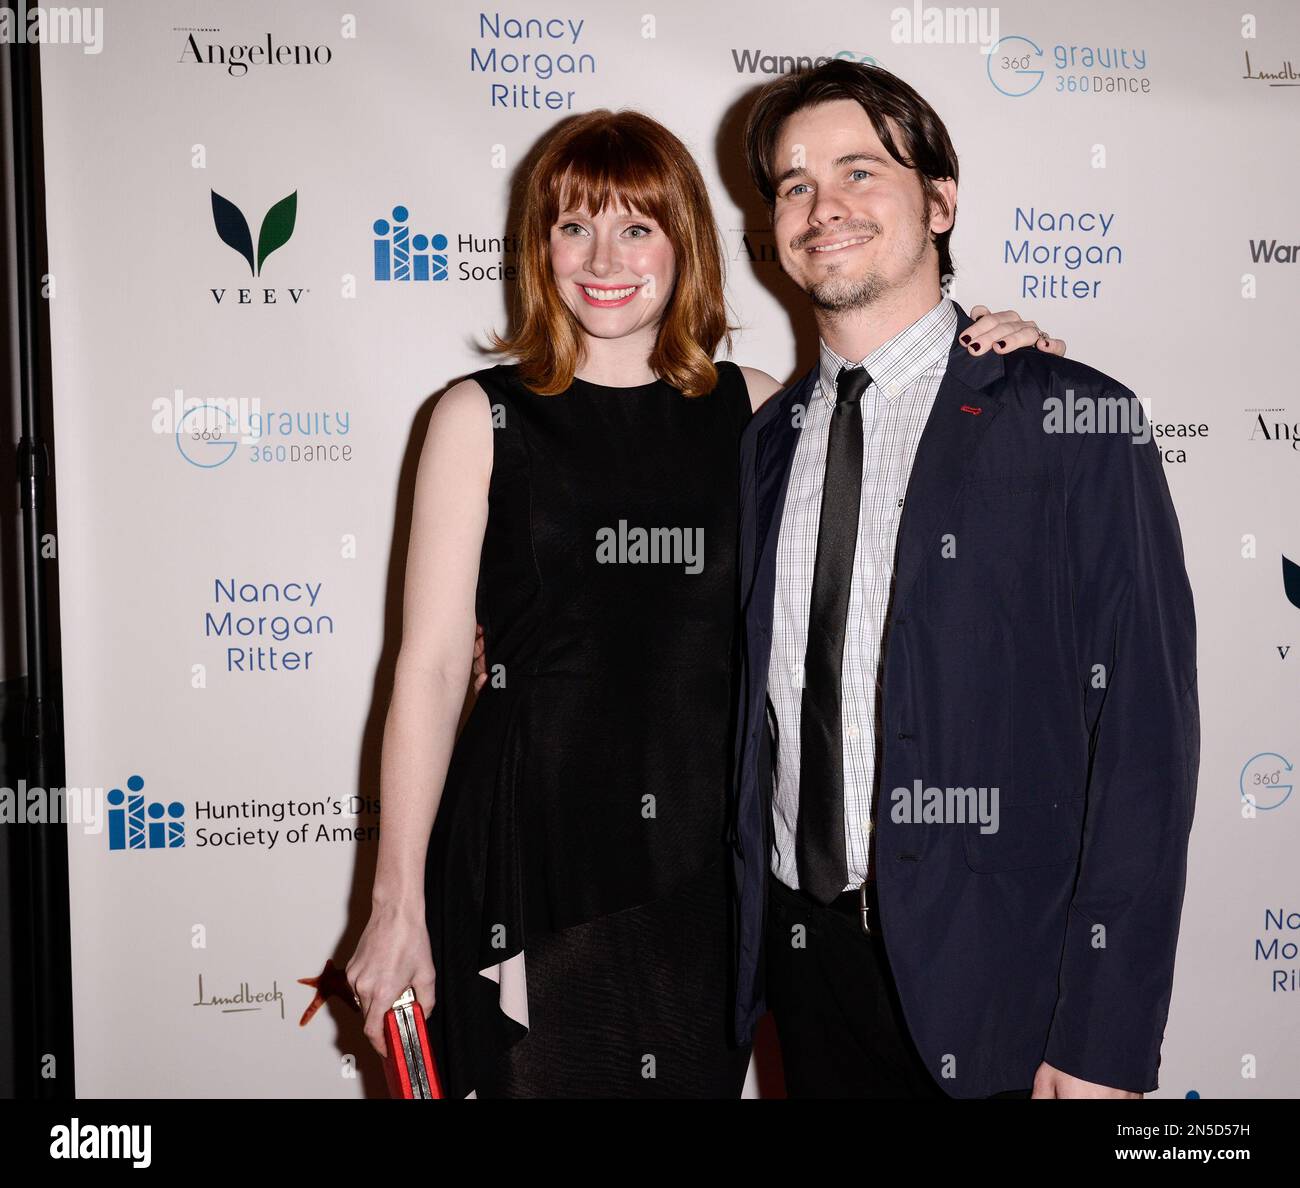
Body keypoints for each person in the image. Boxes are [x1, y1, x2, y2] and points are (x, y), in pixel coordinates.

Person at [345, 105, 1061, 1098]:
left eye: (637, 226)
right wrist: (396, 902)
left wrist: (999, 349)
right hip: (530, 851)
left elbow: (903, 468)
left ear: (684, 242)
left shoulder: (760, 406)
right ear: (536, 245)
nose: (604, 255)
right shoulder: (478, 416)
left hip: (704, 865)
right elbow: (425, 668)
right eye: (573, 225)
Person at [730, 59, 1199, 1099]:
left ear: (940, 200)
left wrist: (1102, 1038)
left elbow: (1143, 750)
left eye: (861, 170)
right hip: (805, 977)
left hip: (1005, 994)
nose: (823, 206)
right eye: (795, 184)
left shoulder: (1069, 420)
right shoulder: (765, 445)